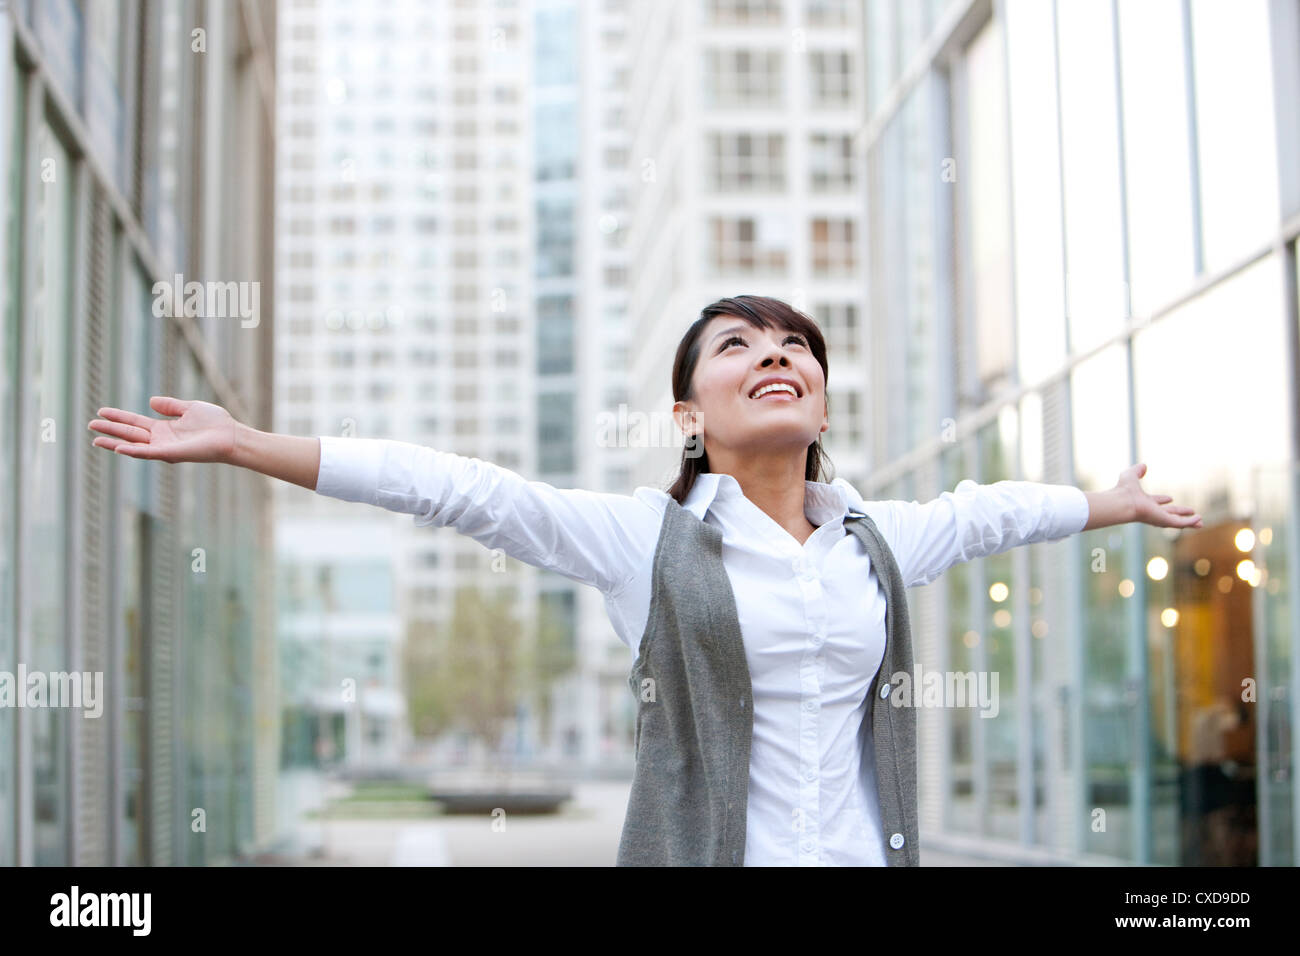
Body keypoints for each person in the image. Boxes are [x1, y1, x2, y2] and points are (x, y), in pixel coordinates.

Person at [88, 294, 1202, 865]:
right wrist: (249, 444)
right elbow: (460, 489)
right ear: (688, 413)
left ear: (818, 393)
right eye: (739, 345)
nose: (776, 355)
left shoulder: (877, 536)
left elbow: (991, 513)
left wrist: (1111, 501)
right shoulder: (644, 541)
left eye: (795, 345)